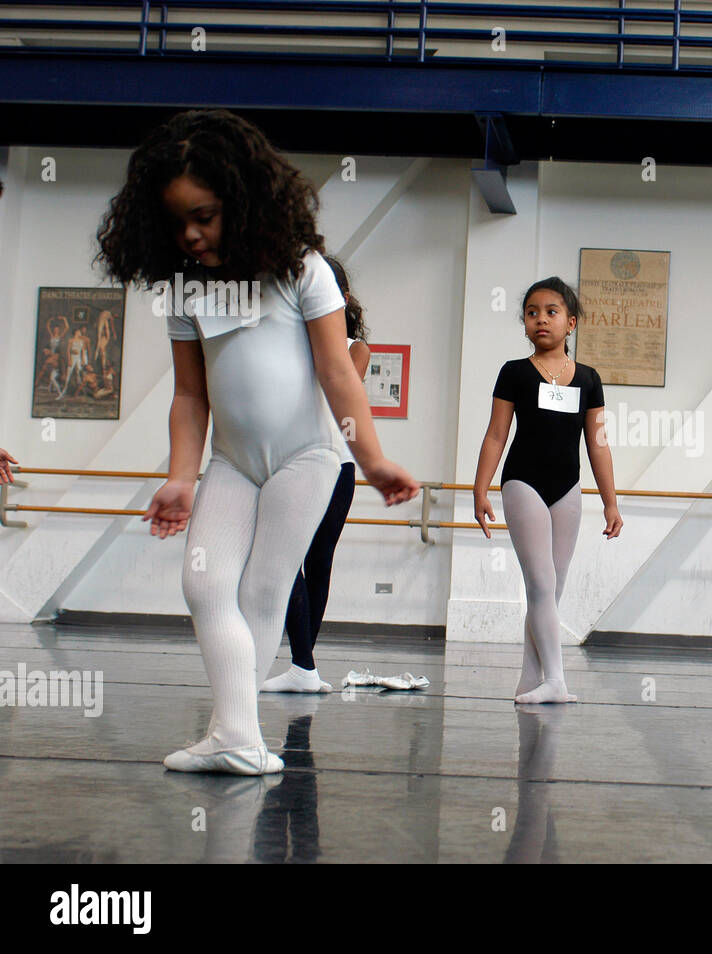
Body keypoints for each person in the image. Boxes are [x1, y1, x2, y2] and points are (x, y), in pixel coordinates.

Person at [95, 108, 420, 774]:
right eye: (176, 220)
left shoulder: (301, 269)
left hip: (307, 458)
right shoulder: (185, 288)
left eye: (205, 216)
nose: (190, 234)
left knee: (264, 593)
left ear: (242, 203)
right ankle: (236, 737)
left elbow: (338, 374)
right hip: (232, 464)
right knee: (203, 584)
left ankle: (237, 736)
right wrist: (181, 478)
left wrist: (375, 458)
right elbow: (191, 395)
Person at [473, 277, 622, 704]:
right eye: (532, 312)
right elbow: (496, 435)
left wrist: (611, 501)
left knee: (551, 590)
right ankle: (556, 681)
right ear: (524, 323)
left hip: (568, 489)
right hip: (523, 483)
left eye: (552, 312)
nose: (541, 319)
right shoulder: (515, 373)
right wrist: (481, 489)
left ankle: (529, 678)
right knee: (540, 583)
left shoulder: (589, 380)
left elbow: (598, 443)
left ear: (570, 323)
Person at [262, 255, 372, 693]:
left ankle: (302, 664)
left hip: (335, 465)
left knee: (318, 561)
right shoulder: (286, 341)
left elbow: (336, 387)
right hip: (289, 462)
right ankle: (303, 666)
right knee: (285, 560)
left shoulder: (355, 348)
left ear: (341, 299)